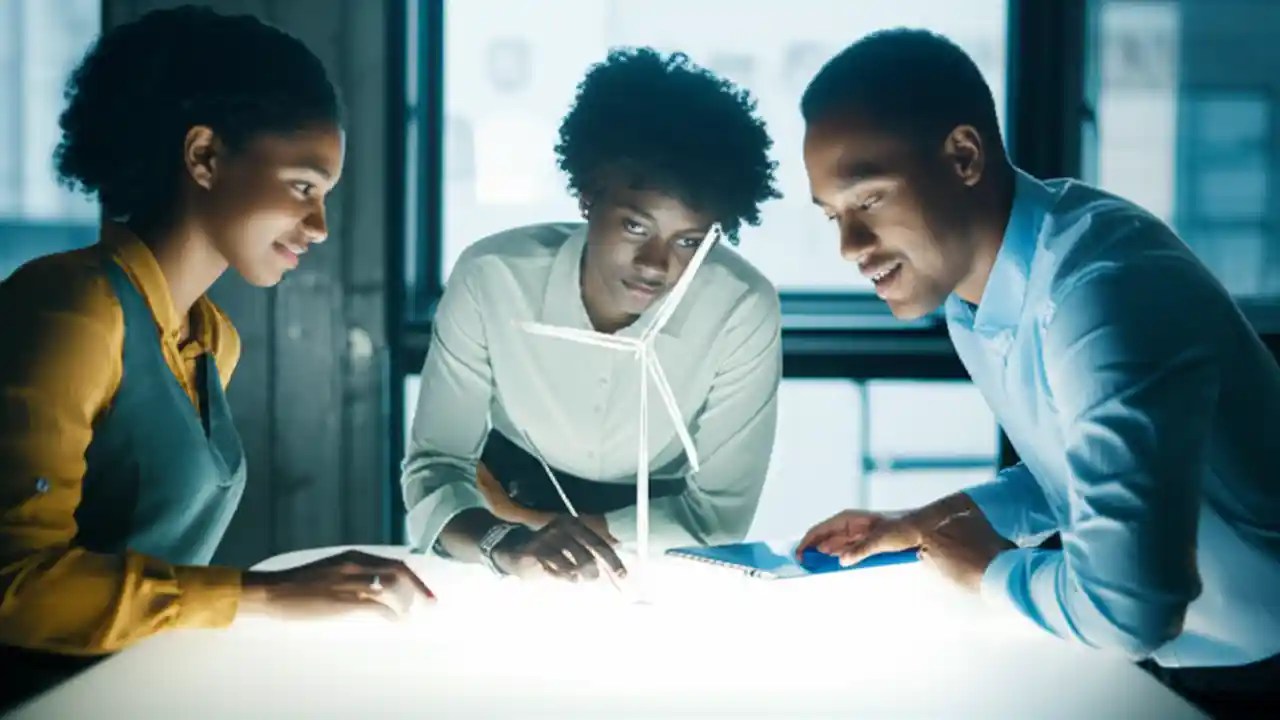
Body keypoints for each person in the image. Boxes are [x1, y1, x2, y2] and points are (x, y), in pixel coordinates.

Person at [794, 29, 1280, 717]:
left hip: (1257, 669)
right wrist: (924, 523)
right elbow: (1077, 477)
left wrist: (990, 570)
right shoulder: (978, 294)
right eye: (833, 216)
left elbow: (1131, 608)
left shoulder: (1099, 294)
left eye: (868, 200)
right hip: (1179, 667)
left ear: (964, 156)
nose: (849, 247)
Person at [0, 5, 434, 683]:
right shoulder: (74, 308)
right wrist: (263, 596)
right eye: (302, 187)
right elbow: (13, 586)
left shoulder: (211, 341)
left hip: (131, 686)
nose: (318, 225)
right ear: (203, 156)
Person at [403, 48, 783, 583]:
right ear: (588, 196)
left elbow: (718, 518)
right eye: (635, 226)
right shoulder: (492, 276)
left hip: (662, 546)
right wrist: (506, 539)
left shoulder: (742, 307)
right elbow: (435, 468)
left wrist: (539, 526)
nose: (656, 264)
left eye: (689, 241)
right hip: (495, 522)